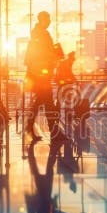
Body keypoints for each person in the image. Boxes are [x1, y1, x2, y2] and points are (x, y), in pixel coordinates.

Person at [24, 11, 62, 140]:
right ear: (42, 20)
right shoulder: (42, 35)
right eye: (48, 19)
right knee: (46, 101)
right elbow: (45, 54)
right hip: (42, 74)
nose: (50, 21)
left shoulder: (38, 34)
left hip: (38, 73)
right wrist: (56, 53)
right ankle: (53, 131)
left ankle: (33, 127)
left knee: (43, 101)